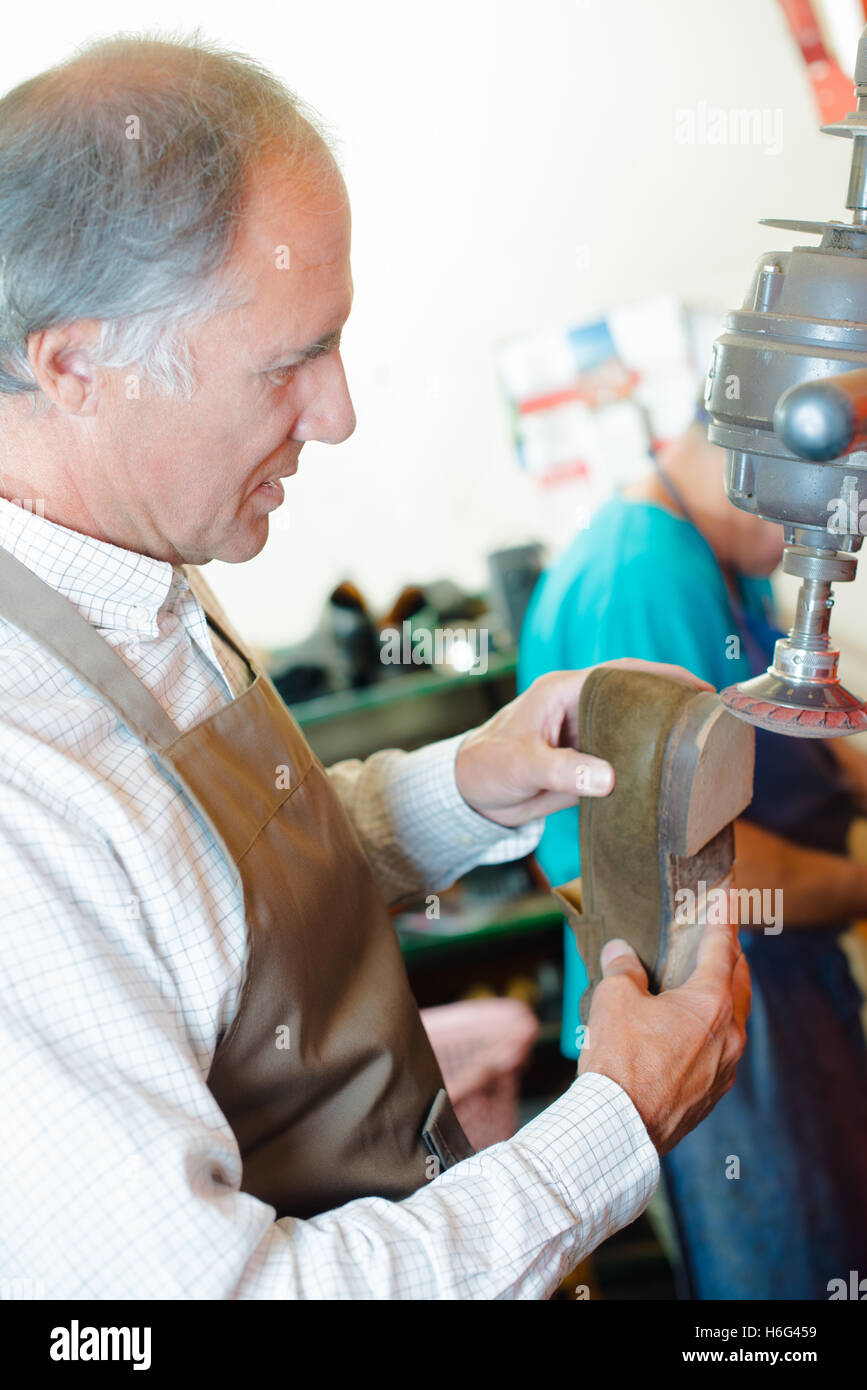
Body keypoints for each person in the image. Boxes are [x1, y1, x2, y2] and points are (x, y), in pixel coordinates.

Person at [0, 35, 749, 1300]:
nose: (340, 412)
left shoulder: (136, 583)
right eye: (291, 361)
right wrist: (617, 1118)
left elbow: (205, 902)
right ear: (77, 369)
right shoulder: (24, 778)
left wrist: (464, 790)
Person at [520, 411, 867, 1299]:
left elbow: (797, 727)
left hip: (787, 992)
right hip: (710, 1018)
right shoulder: (637, 580)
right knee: (785, 1292)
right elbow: (696, 867)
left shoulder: (721, 555)